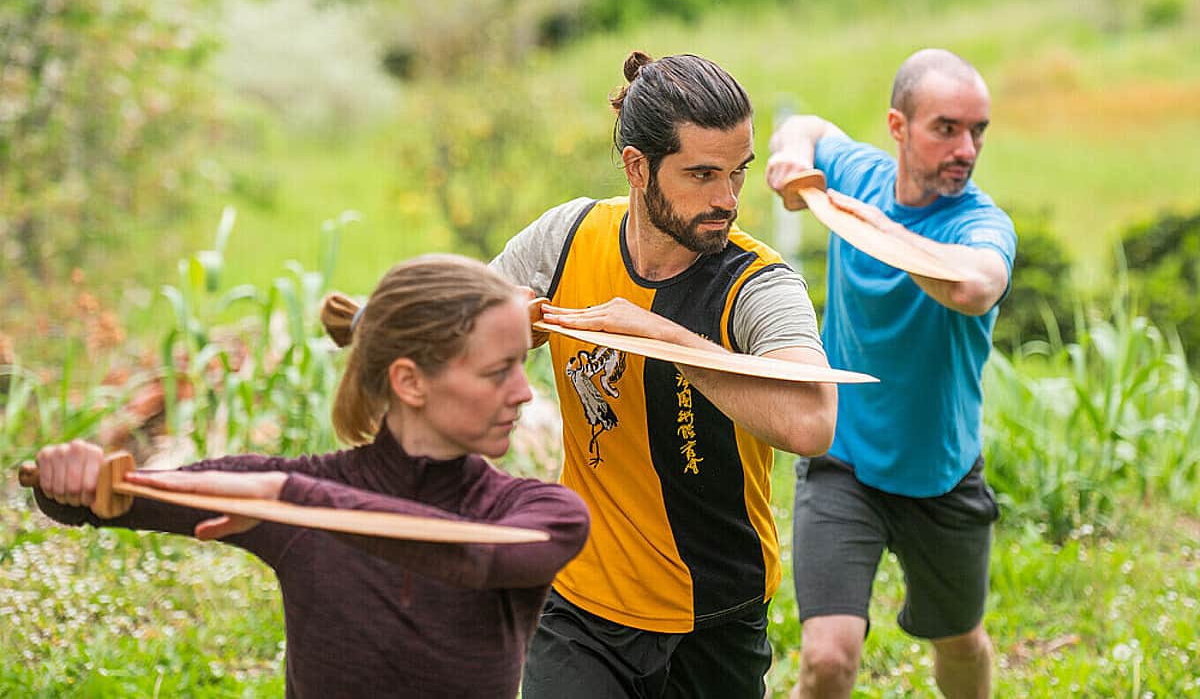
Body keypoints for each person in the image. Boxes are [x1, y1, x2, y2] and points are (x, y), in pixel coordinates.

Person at [29, 254, 591, 699]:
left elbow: (490, 554)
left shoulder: (538, 512)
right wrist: (71, 481)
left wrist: (290, 498)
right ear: (410, 383)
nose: (522, 391)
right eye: (499, 371)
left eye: (522, 365)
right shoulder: (278, 492)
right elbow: (111, 499)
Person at [491, 51, 838, 698]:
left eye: (738, 172)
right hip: (583, 600)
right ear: (636, 166)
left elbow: (812, 422)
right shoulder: (566, 237)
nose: (726, 199)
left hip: (717, 608)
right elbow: (462, 322)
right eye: (702, 174)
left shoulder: (757, 286)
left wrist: (663, 336)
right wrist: (503, 327)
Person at [765, 48, 1017, 699]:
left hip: (940, 471)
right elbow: (813, 128)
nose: (966, 147)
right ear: (898, 127)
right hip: (842, 456)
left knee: (960, 640)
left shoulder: (979, 222)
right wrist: (791, 152)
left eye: (978, 130)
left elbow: (976, 286)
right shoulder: (860, 173)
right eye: (946, 128)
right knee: (827, 657)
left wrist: (878, 230)